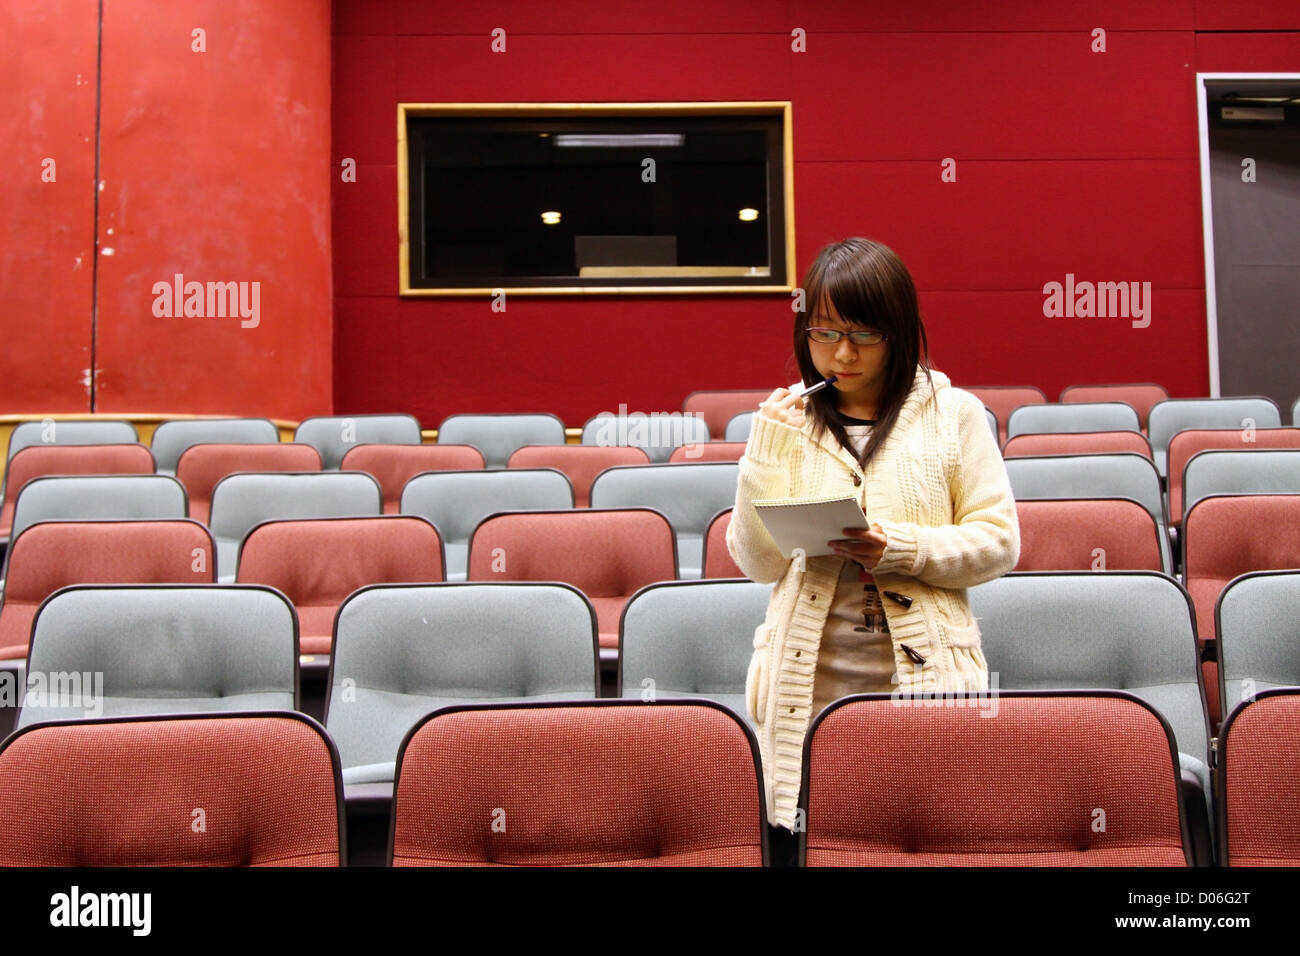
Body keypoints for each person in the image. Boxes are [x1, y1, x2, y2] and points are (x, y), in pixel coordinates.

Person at [726, 237, 1020, 864]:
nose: (842, 353)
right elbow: (757, 563)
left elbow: (997, 542)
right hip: (808, 679)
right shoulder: (788, 425)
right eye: (824, 333)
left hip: (926, 676)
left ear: (899, 332)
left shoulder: (954, 414)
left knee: (924, 838)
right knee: (811, 838)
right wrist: (762, 456)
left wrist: (898, 548)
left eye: (864, 335)